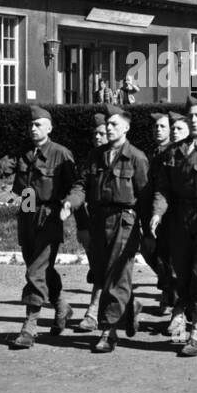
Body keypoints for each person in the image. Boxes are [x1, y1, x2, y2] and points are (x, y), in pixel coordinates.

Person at [0, 105, 76, 348]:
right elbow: (4, 168)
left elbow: (75, 185)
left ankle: (30, 326)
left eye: (38, 124)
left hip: (49, 214)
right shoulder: (24, 152)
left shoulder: (61, 154)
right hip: (27, 210)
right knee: (38, 266)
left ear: (49, 127)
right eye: (31, 125)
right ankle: (61, 306)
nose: (33, 128)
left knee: (36, 271)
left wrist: (69, 207)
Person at [66, 105, 150, 353]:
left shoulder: (137, 157)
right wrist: (71, 202)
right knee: (103, 273)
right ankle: (130, 306)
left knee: (116, 274)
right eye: (108, 124)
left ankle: (109, 330)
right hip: (98, 220)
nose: (109, 128)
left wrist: (148, 233)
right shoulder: (95, 155)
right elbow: (81, 185)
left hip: (125, 221)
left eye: (114, 124)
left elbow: (144, 196)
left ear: (126, 127)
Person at [150, 102, 197, 356]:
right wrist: (157, 213)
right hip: (179, 221)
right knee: (179, 276)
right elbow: (163, 187)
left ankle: (195, 335)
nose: (193, 120)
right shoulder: (172, 152)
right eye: (190, 116)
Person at [75, 111, 109, 331]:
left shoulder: (127, 157)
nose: (97, 138)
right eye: (95, 134)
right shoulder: (90, 160)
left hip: (118, 224)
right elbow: (79, 190)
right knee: (102, 269)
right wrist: (82, 226)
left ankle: (93, 311)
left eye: (102, 133)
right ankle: (129, 306)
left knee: (104, 269)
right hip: (94, 222)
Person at [143, 111, 176, 318]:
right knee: (150, 252)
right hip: (151, 210)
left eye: (163, 126)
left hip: (171, 212)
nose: (158, 129)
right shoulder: (152, 153)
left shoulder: (173, 152)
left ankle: (169, 296)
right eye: (156, 126)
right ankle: (168, 289)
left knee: (169, 257)